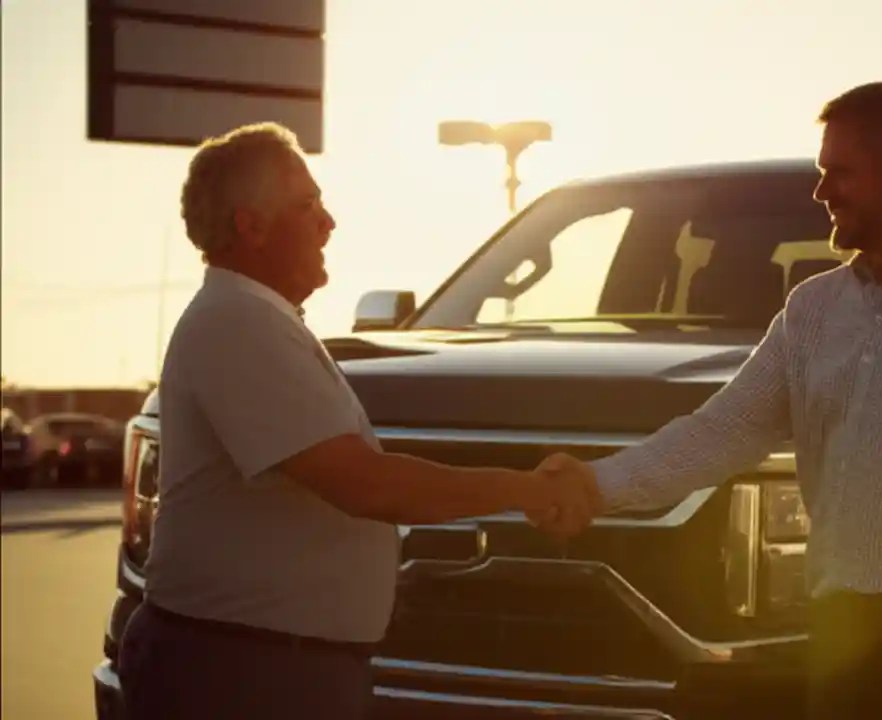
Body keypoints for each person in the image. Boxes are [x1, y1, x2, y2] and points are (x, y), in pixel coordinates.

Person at [542, 82, 882, 719]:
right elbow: (719, 432)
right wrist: (596, 483)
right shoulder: (810, 310)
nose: (820, 191)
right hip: (841, 640)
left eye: (839, 172)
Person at [117, 122, 598, 720]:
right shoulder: (237, 323)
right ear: (251, 224)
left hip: (265, 664)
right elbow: (365, 484)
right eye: (308, 204)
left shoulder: (256, 321)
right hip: (244, 676)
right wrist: (527, 489)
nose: (328, 222)